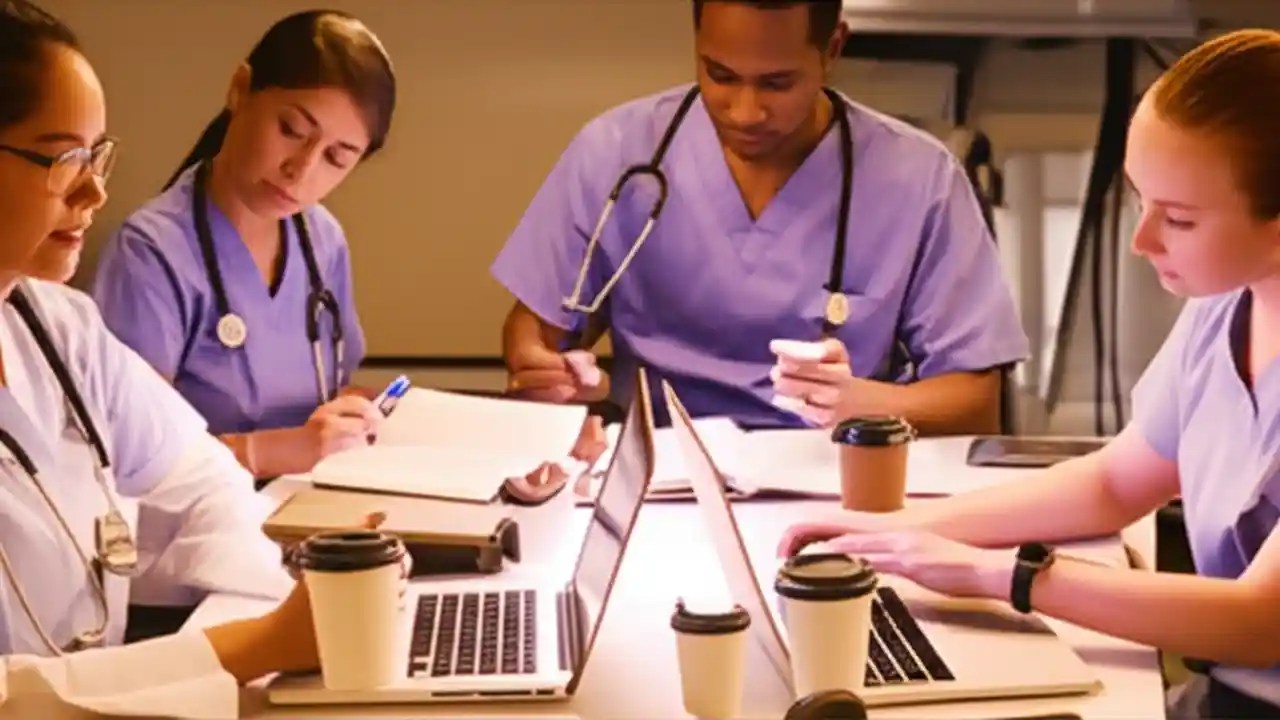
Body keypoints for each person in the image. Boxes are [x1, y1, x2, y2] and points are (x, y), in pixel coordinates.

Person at [777, 29, 1280, 719]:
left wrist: (1000, 576)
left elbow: (1261, 620)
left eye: (1181, 220)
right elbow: (1112, 483)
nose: (1142, 241)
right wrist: (889, 532)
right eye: (1141, 199)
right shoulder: (1227, 306)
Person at [0, 1, 330, 715]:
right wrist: (251, 646)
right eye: (61, 159)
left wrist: (254, 627)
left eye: (97, 156)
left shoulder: (62, 330)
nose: (95, 191)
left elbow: (211, 493)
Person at [491, 0, 1028, 433]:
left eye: (776, 83)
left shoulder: (919, 179)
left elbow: (976, 401)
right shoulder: (616, 154)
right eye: (719, 75)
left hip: (839, 480)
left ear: (832, 48)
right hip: (656, 479)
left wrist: (863, 403)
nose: (744, 112)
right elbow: (535, 326)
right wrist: (545, 370)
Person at [91, 10, 395, 479]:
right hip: (194, 531)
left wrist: (366, 415)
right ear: (240, 89)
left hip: (316, 506)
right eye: (292, 130)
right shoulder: (151, 254)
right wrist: (265, 453)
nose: (302, 169)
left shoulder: (323, 241)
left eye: (336, 157)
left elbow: (330, 390)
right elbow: (127, 455)